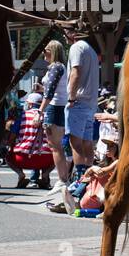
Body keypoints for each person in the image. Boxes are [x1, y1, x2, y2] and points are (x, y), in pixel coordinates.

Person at [65, 31, 100, 191]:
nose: (64, 34)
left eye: (66, 31)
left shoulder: (76, 47)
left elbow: (75, 72)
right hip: (90, 103)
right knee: (87, 144)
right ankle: (88, 180)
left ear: (73, 33)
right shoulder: (91, 50)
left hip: (78, 102)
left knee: (76, 143)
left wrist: (71, 98)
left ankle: (79, 181)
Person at [41, 40, 71, 190]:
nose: (43, 53)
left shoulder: (55, 67)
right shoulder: (61, 67)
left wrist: (40, 110)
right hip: (60, 106)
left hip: (54, 107)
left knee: (55, 146)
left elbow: (50, 92)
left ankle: (62, 179)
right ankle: (63, 179)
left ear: (52, 51)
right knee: (58, 146)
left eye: (45, 50)